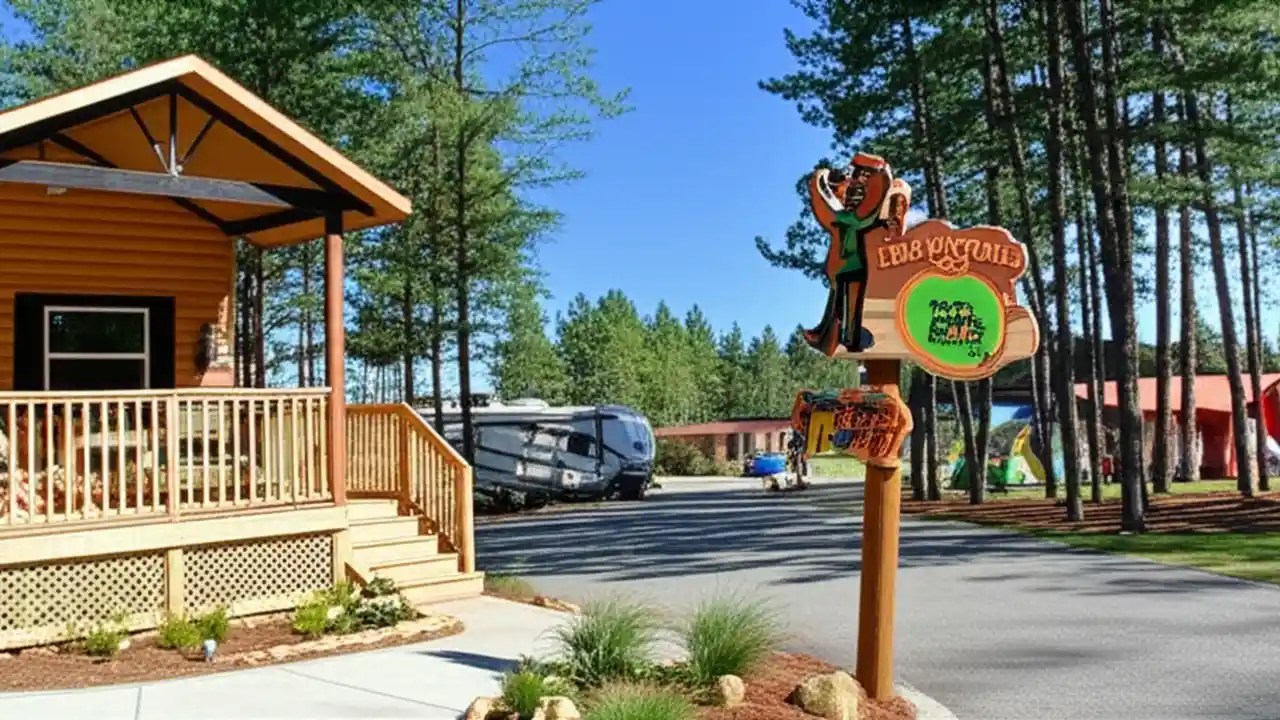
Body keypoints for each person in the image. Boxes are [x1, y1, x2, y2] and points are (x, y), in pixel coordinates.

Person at [803, 153, 894, 355]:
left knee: (847, 306)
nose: (852, 181)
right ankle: (830, 337)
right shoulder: (850, 218)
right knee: (838, 305)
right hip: (846, 265)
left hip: (853, 265)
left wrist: (819, 183)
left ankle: (845, 339)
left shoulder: (854, 218)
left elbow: (828, 208)